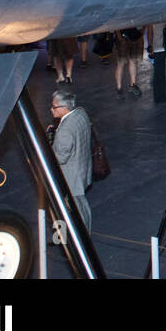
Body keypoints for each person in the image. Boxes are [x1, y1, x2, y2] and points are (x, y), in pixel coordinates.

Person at [50, 89, 93, 232]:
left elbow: (60, 158)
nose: (51, 110)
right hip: (82, 168)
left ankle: (65, 239)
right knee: (81, 205)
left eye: (54, 107)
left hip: (70, 176)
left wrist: (50, 147)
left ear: (64, 108)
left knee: (65, 209)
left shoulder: (64, 131)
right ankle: (82, 233)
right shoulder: (81, 114)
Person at [113, 26, 142, 99]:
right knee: (121, 63)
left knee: (133, 61)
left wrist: (142, 31)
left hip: (136, 35)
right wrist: (119, 35)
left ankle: (133, 85)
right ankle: (119, 89)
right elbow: (116, 21)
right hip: (123, 36)